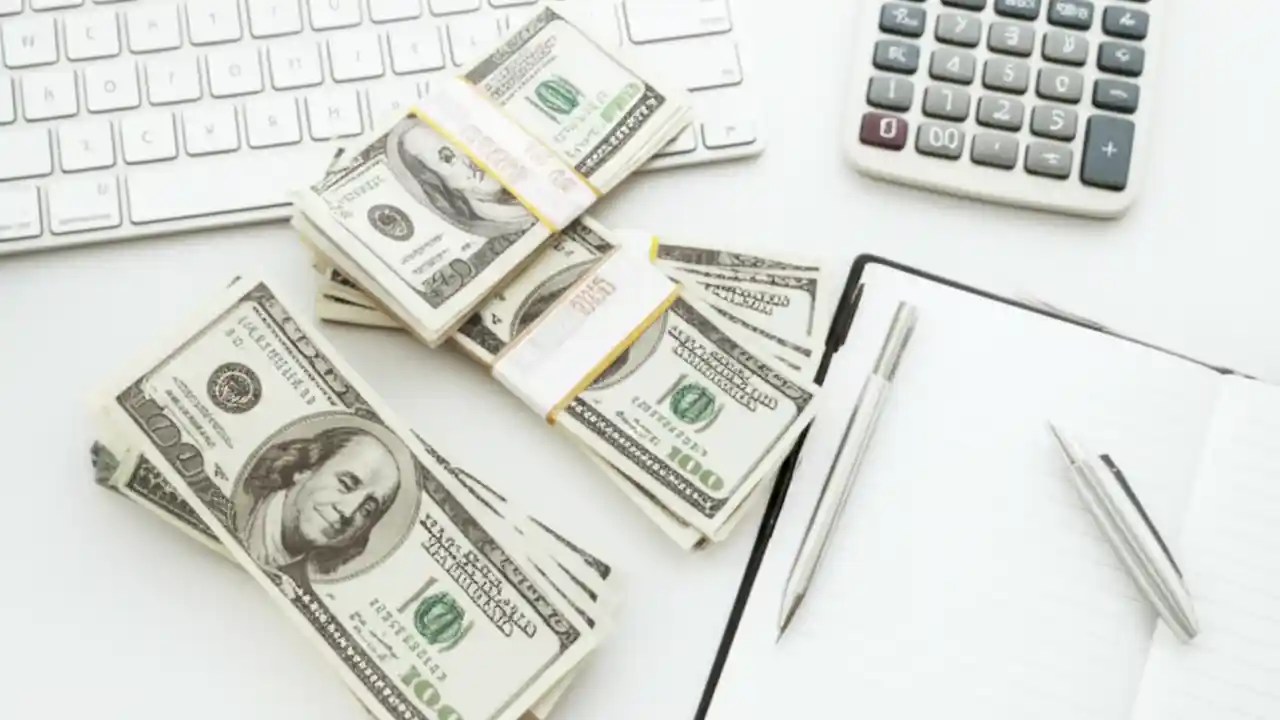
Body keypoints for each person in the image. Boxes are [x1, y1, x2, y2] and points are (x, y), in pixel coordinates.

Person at [239, 426, 402, 577]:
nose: (348, 512)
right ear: (305, 469)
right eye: (346, 484)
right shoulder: (241, 504)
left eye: (367, 510)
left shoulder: (305, 580)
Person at [387, 118, 536, 239]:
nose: (466, 158)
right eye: (447, 157)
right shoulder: (507, 217)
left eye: (458, 144)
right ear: (439, 185)